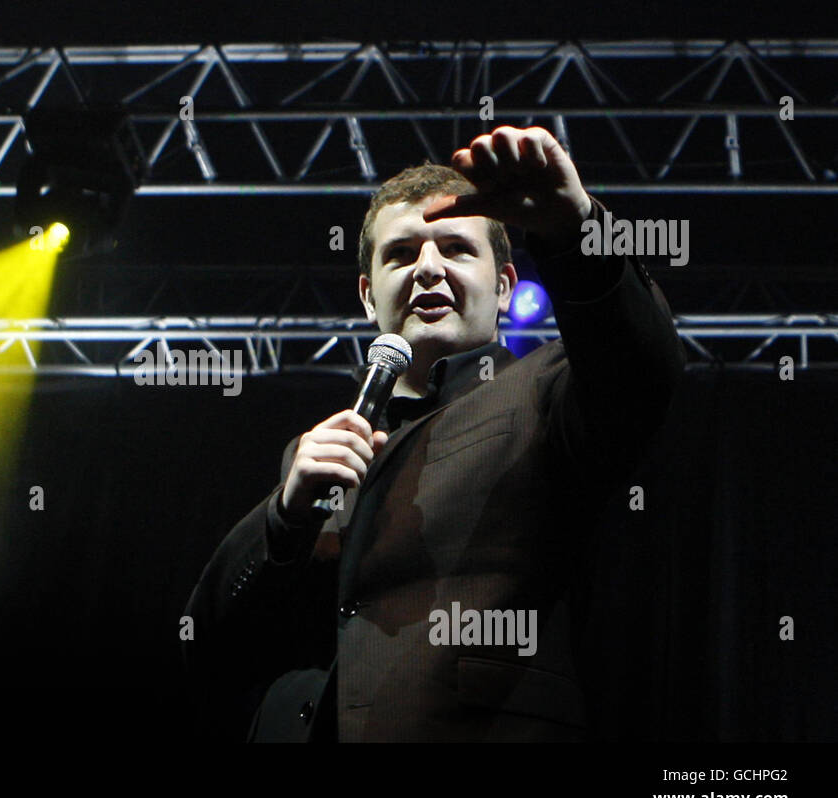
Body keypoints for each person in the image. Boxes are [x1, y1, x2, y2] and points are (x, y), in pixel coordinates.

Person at [183, 125, 685, 741]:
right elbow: (209, 640)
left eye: (455, 248)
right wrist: (284, 516)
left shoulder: (549, 389)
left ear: (503, 288)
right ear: (370, 298)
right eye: (400, 254)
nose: (427, 268)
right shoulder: (318, 452)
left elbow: (641, 369)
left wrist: (575, 227)